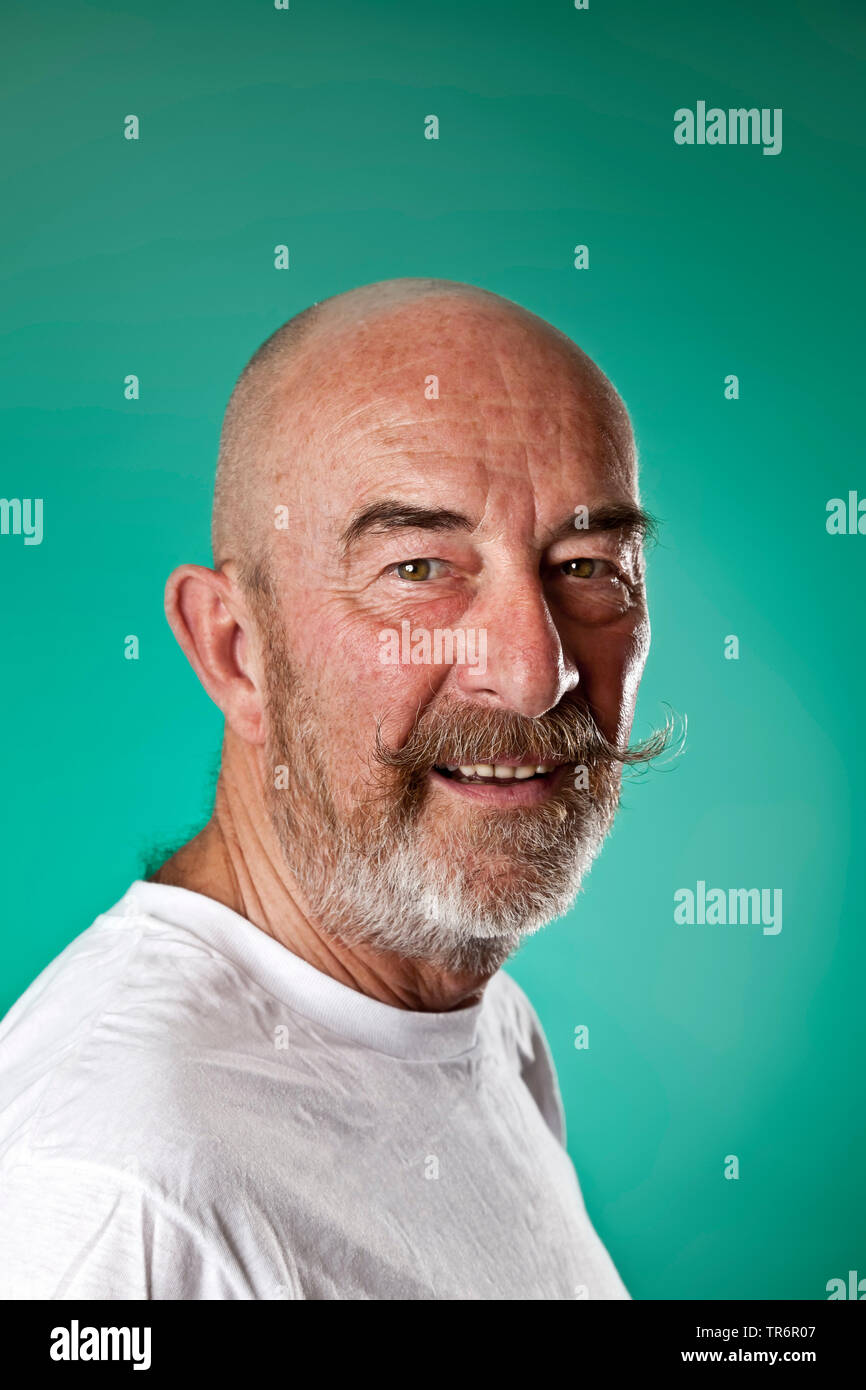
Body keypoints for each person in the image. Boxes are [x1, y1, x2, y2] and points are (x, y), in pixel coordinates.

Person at [0, 277, 666, 1299]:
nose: (535, 673)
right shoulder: (117, 1195)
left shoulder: (482, 1015)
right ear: (236, 649)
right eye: (418, 568)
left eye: (584, 565)